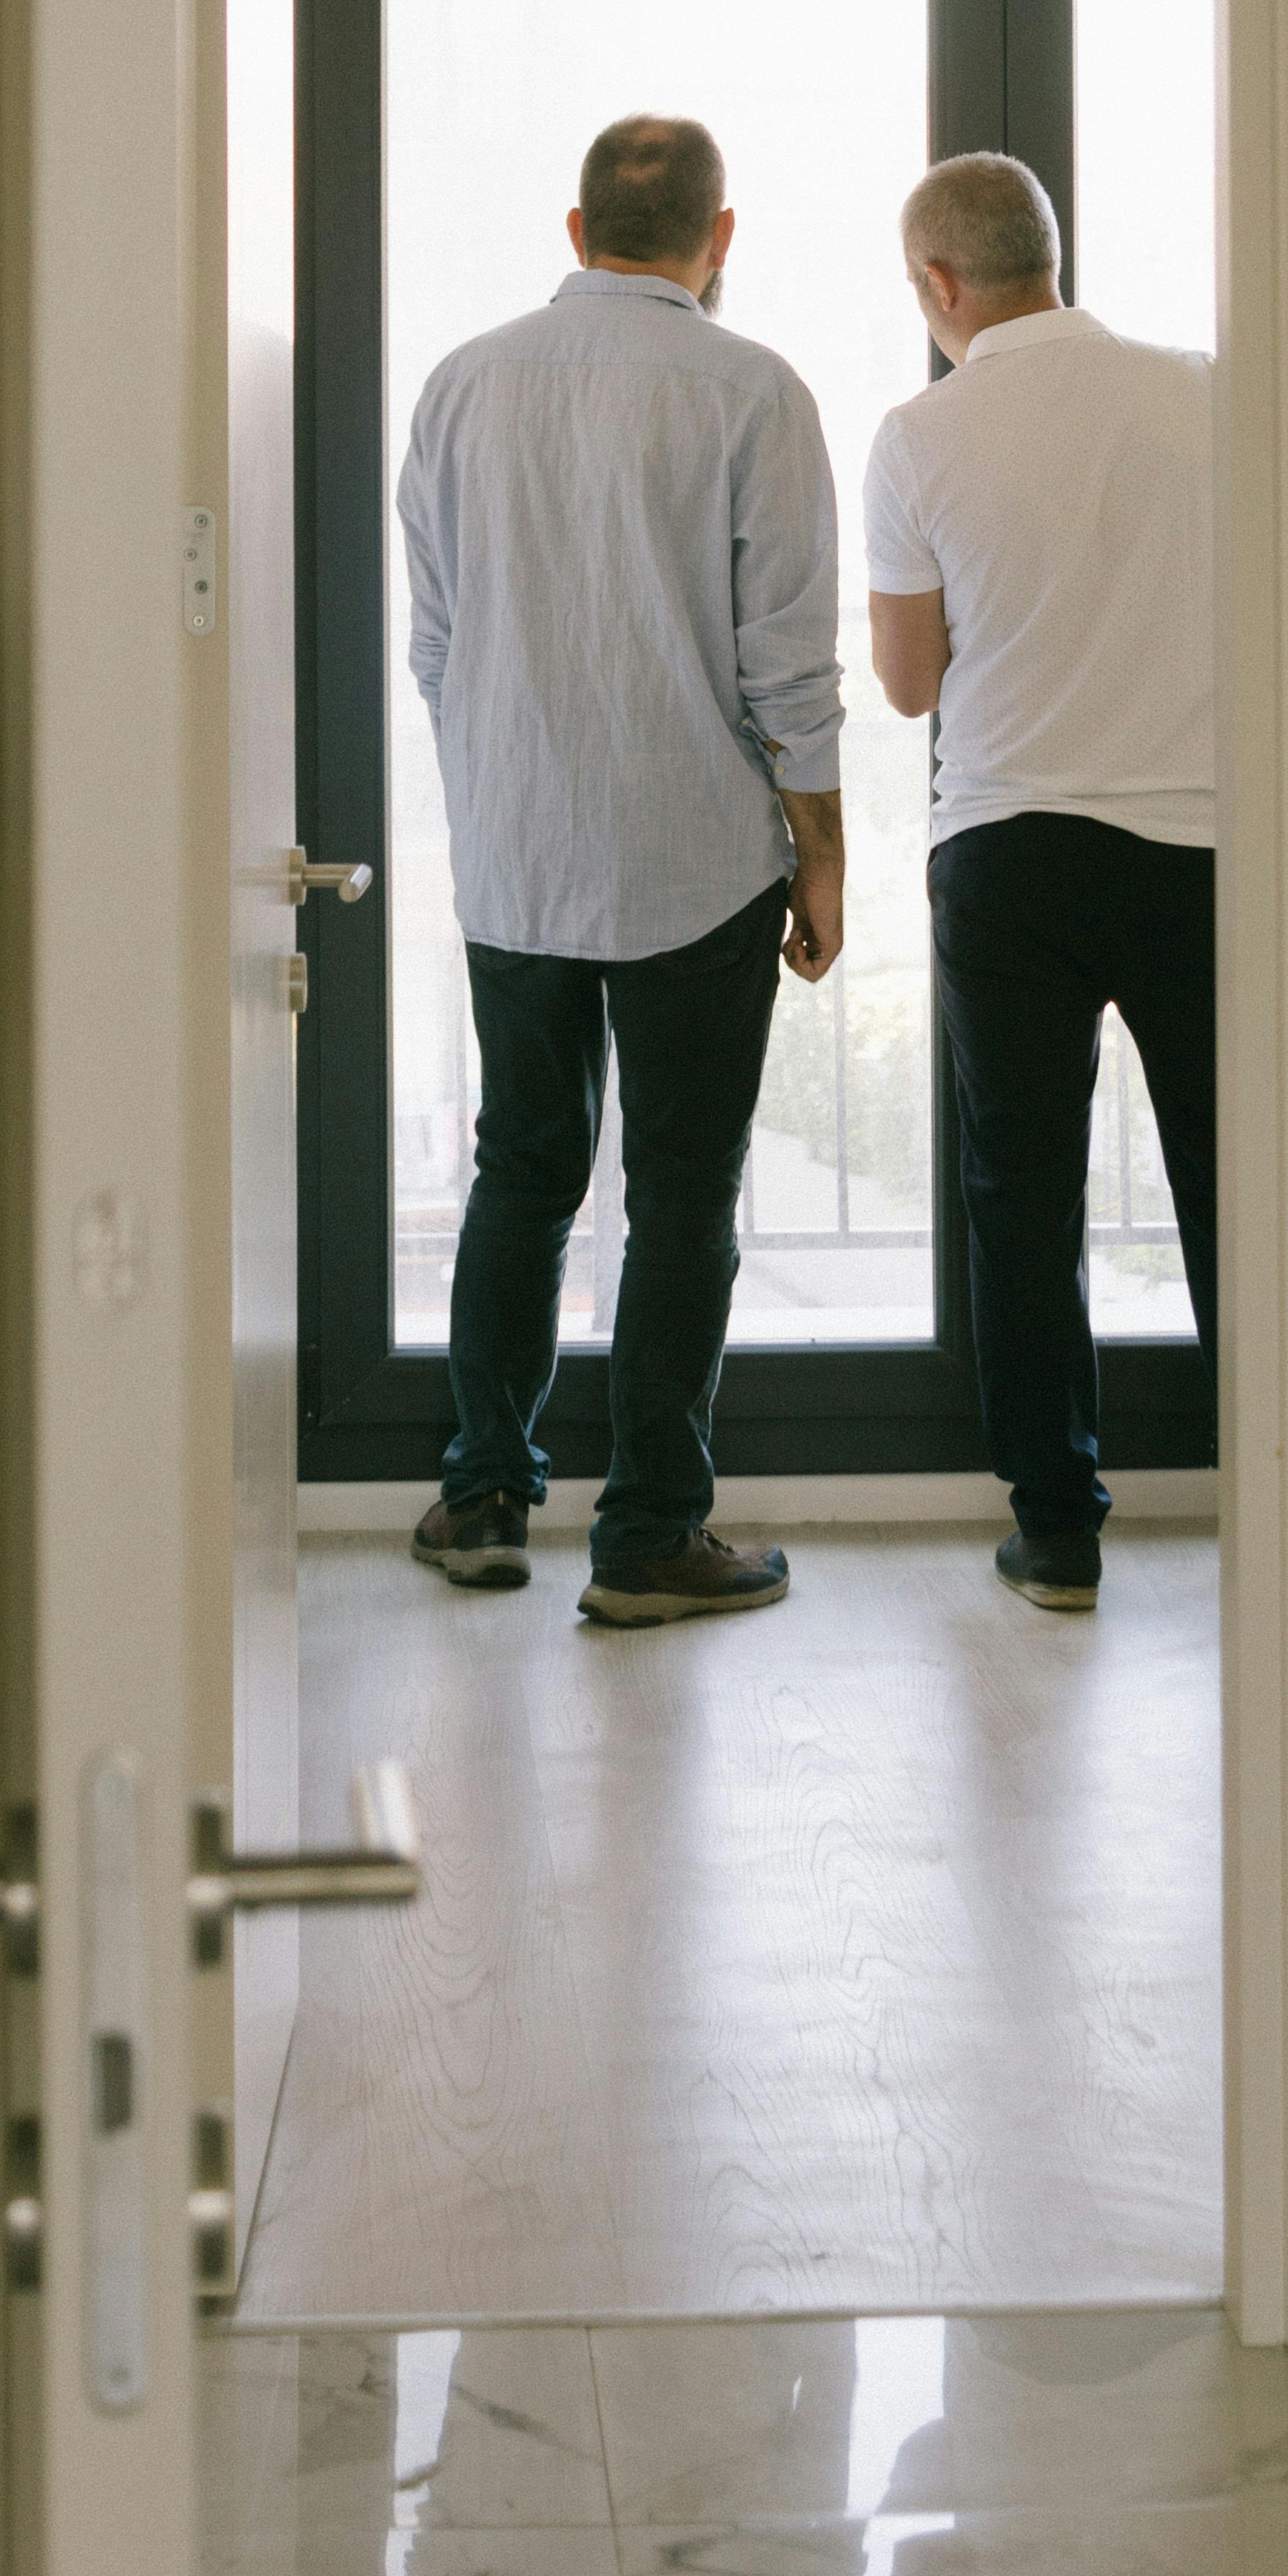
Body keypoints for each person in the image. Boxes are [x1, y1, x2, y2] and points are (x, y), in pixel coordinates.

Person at [397, 110, 845, 1626]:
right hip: (695, 861)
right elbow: (786, 662)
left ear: (575, 231)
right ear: (718, 241)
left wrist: (502, 798)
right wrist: (821, 856)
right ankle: (648, 1536)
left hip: (516, 859)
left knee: (519, 1172)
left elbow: (437, 645)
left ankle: (479, 1498)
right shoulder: (753, 392)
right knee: (680, 1197)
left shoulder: (460, 386)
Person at [863, 150, 1215, 1611]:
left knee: (1021, 1189)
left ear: (939, 285)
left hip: (1008, 844)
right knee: (1232, 1173)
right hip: (1201, 836)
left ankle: (1056, 1525)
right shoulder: (1205, 388)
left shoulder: (917, 436)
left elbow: (903, 685)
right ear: (1045, 254)